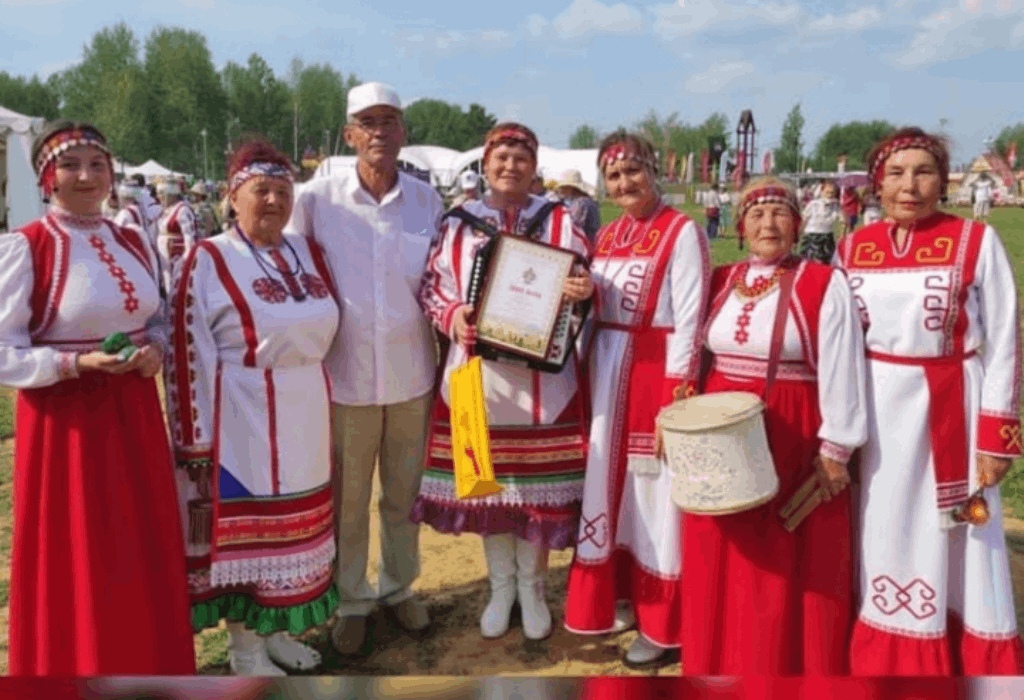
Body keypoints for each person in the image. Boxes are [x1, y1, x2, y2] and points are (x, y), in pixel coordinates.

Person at [0, 119, 195, 675]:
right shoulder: (27, 247)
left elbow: (156, 316)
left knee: (139, 550)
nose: (86, 176)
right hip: (67, 427)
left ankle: (150, 665)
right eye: (70, 165)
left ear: (113, 173)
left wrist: (155, 348)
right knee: (81, 557)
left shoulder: (132, 237)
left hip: (133, 413)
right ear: (46, 178)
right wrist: (75, 363)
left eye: (97, 164)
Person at [838, 127, 1024, 675]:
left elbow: (1006, 342)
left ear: (943, 180)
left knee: (958, 526)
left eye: (924, 172)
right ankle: (884, 645)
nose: (910, 185)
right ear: (877, 184)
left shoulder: (974, 241)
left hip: (951, 405)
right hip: (876, 409)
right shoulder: (854, 247)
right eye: (896, 174)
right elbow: (839, 338)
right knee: (880, 520)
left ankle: (959, 650)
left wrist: (996, 437)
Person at [677, 176, 868, 675]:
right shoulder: (720, 279)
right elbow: (691, 353)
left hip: (791, 428)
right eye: (757, 214)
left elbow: (843, 367)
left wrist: (836, 449)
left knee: (782, 556)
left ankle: (780, 667)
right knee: (722, 548)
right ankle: (714, 662)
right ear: (739, 226)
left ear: (799, 224)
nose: (768, 223)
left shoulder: (824, 284)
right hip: (720, 434)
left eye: (780, 213)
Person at [166, 138, 340, 676]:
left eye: (283, 190)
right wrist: (194, 435)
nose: (273, 201)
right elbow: (185, 346)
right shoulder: (209, 257)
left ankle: (279, 630)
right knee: (248, 537)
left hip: (306, 406)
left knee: (295, 533)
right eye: (260, 190)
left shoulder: (306, 252)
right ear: (233, 197)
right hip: (241, 413)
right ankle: (246, 651)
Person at [414, 122, 593, 641]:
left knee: (535, 494)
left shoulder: (562, 219)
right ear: (485, 165)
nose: (510, 166)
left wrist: (584, 287)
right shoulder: (456, 224)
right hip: (474, 378)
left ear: (534, 168)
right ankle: (500, 588)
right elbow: (432, 286)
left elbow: (587, 275)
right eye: (501, 157)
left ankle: (532, 588)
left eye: (520, 158)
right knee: (485, 488)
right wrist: (453, 314)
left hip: (544, 384)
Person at [285, 81, 442, 655]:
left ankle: (400, 588)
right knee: (347, 500)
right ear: (349, 133)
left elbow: (442, 280)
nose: (379, 132)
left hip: (412, 376)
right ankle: (351, 599)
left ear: (402, 132)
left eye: (389, 121)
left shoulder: (427, 202)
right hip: (344, 377)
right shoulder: (316, 199)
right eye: (367, 122)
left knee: (404, 493)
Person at [562, 131, 709, 667]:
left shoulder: (682, 232)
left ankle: (663, 621)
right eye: (615, 176)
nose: (624, 184)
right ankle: (623, 594)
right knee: (610, 488)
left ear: (654, 171)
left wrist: (677, 400)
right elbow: (603, 300)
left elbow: (691, 321)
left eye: (633, 172)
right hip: (606, 371)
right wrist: (584, 292)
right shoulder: (611, 234)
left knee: (654, 496)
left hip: (654, 373)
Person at [156, 179, 197, 294]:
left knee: (176, 283)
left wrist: (188, 257)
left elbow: (189, 235)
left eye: (162, 194)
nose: (159, 197)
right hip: (165, 255)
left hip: (177, 255)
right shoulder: (165, 210)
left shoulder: (182, 209)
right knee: (167, 282)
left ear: (170, 195)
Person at [552, 169, 601, 242]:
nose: (560, 190)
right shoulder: (582, 201)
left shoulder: (582, 203)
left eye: (562, 187)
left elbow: (572, 228)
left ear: (570, 187)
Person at [799, 180, 842, 263]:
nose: (830, 195)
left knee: (827, 261)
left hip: (827, 235)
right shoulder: (813, 204)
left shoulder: (835, 205)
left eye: (832, 193)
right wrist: (798, 235)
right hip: (813, 235)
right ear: (822, 191)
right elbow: (804, 219)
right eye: (828, 192)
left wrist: (841, 235)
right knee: (811, 261)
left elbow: (842, 220)